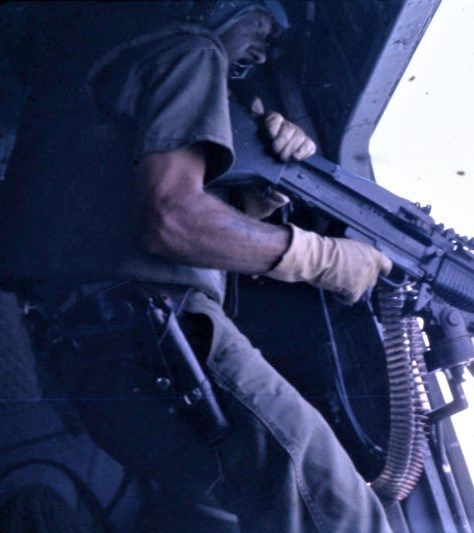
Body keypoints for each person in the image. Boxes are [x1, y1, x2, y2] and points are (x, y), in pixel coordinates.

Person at [0, 1, 393, 531]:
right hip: (156, 333)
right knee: (338, 513)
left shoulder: (98, 79)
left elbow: (121, 212)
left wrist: (253, 200)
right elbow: (172, 220)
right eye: (261, 22)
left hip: (85, 358)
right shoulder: (191, 49)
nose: (267, 47)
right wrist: (324, 259)